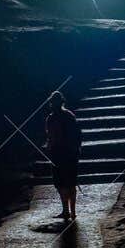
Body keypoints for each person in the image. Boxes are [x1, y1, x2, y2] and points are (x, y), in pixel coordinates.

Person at [44, 91, 81, 220]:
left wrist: (49, 148)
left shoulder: (52, 118)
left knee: (62, 184)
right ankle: (71, 212)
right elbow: (77, 135)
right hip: (68, 153)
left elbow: (51, 138)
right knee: (69, 183)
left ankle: (67, 211)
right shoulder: (68, 116)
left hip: (60, 154)